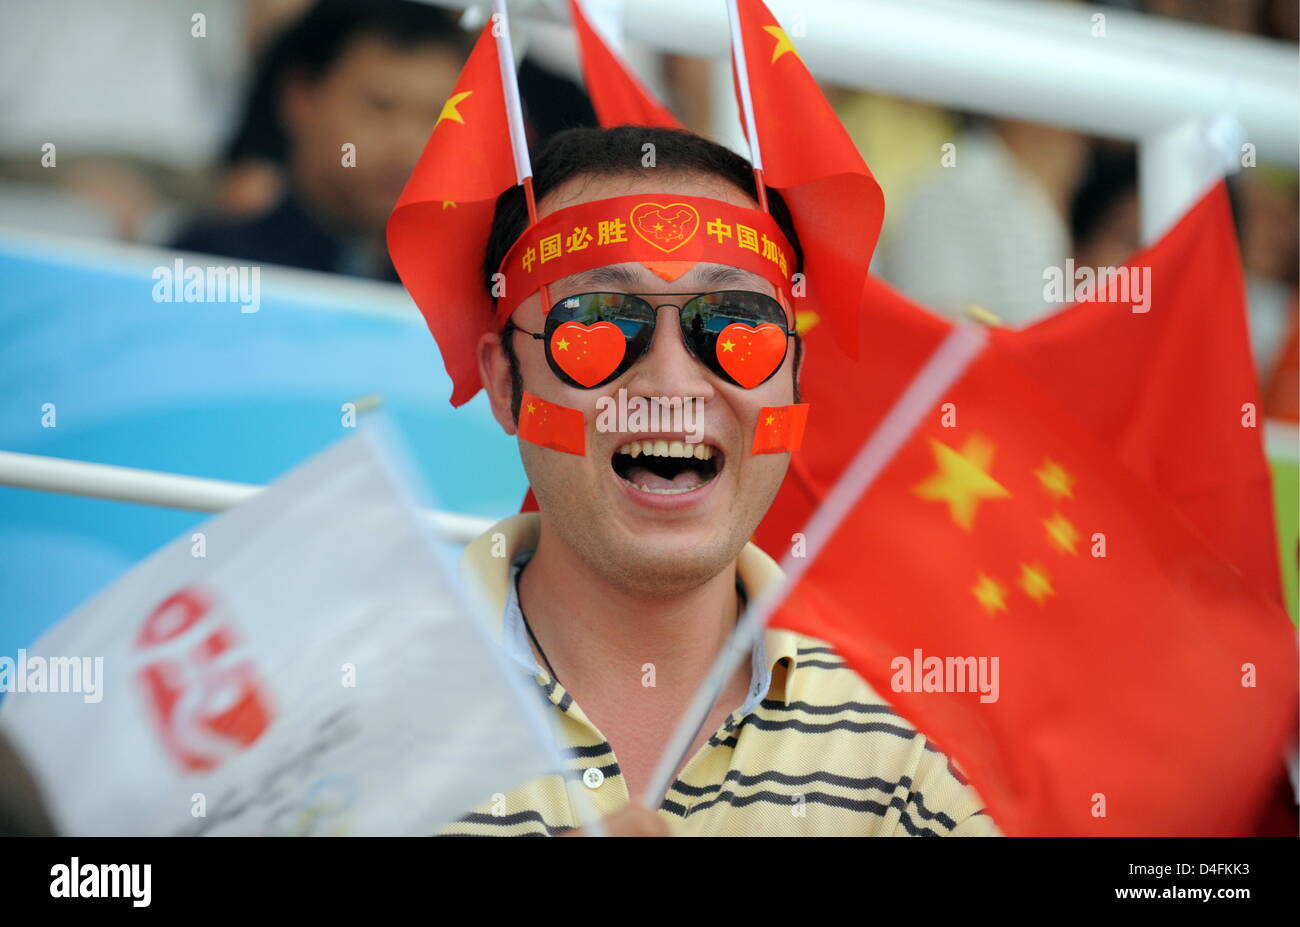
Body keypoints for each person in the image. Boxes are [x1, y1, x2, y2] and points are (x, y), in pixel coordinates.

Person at [434, 126, 1001, 836]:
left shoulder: (910, 752)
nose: (673, 383)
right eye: (599, 318)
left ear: (795, 381)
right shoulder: (346, 700)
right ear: (501, 380)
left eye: (734, 320)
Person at [173, 0, 470, 280]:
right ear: (300, 98)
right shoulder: (210, 265)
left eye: (439, 116)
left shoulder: (462, 290)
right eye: (380, 106)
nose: (410, 147)